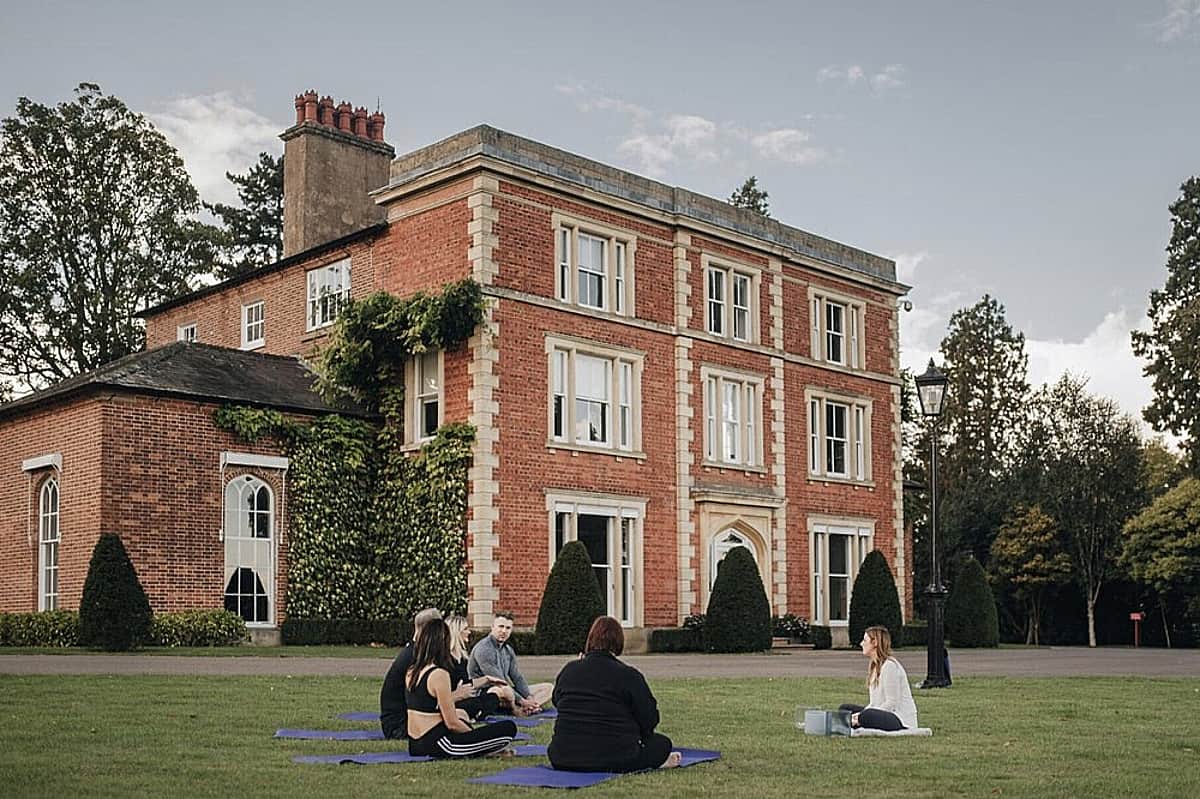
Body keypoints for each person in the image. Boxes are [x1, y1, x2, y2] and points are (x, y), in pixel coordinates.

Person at [548, 616, 681, 772]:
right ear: (619, 642)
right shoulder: (628, 675)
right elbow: (649, 717)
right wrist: (641, 736)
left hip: (562, 756)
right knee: (662, 743)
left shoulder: (569, 670)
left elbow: (557, 701)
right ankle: (652, 762)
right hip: (614, 757)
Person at [406, 617, 518, 758]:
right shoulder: (439, 674)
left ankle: (483, 748)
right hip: (439, 743)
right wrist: (473, 735)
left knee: (462, 715)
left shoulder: (413, 670)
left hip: (415, 742)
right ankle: (484, 750)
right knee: (508, 728)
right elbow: (452, 723)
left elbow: (427, 708)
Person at [467, 612, 553, 714]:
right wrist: (522, 700)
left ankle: (528, 708)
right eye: (501, 626)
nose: (504, 631)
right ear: (492, 627)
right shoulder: (484, 649)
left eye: (508, 628)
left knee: (548, 688)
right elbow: (499, 681)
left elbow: (517, 677)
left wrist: (529, 697)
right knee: (504, 690)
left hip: (507, 691)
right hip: (487, 692)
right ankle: (521, 708)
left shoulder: (507, 649)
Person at [839, 625, 918, 731]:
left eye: (865, 640)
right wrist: (859, 714)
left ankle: (858, 722)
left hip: (899, 718)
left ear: (875, 643)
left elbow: (891, 703)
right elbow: (873, 703)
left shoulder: (890, 666)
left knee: (866, 715)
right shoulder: (875, 667)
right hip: (878, 712)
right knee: (845, 709)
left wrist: (862, 715)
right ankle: (857, 721)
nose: (861, 644)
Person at [380, 607, 443, 739]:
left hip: (397, 721)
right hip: (399, 726)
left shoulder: (414, 651)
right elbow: (419, 699)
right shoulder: (415, 657)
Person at [446, 614, 513, 720]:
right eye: (466, 629)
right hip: (452, 701)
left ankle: (477, 713)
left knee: (494, 697)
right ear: (456, 632)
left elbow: (468, 683)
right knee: (497, 693)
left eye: (508, 628)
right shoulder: (445, 659)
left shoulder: (462, 658)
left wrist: (487, 679)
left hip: (467, 697)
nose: (469, 632)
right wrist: (456, 695)